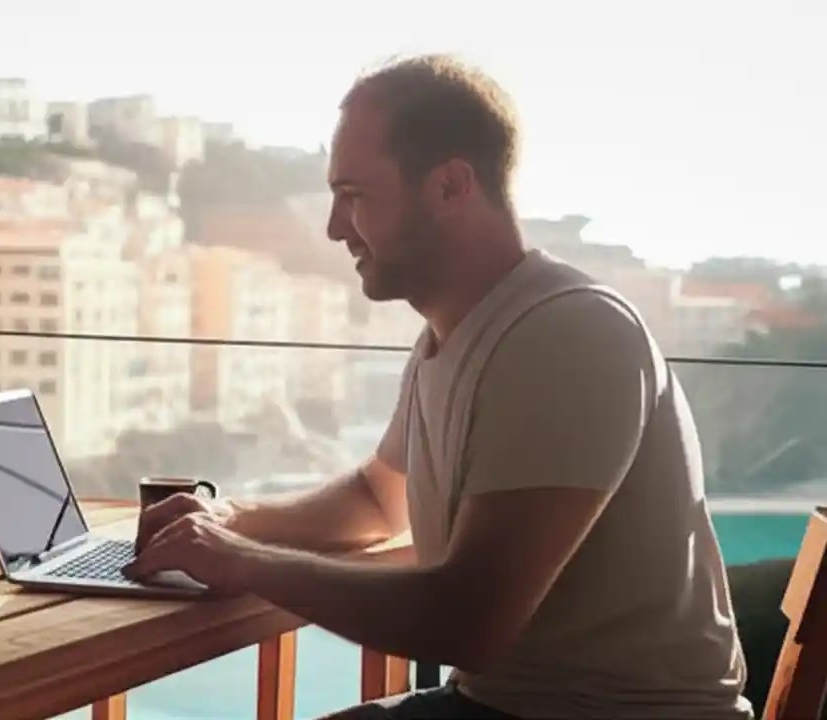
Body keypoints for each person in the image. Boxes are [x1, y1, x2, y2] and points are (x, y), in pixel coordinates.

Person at [123, 54, 751, 719]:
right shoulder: (449, 340)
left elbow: (466, 622)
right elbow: (375, 498)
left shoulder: (565, 336)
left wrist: (244, 561)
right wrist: (227, 521)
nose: (335, 227)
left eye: (355, 195)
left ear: (451, 186)